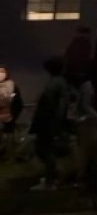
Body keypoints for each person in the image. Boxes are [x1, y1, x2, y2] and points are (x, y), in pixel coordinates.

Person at [30, 57, 70, 190]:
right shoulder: (58, 82)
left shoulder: (56, 83)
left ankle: (51, 180)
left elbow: (56, 105)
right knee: (45, 149)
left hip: (48, 121)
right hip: (49, 120)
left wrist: (55, 122)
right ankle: (53, 176)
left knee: (45, 150)